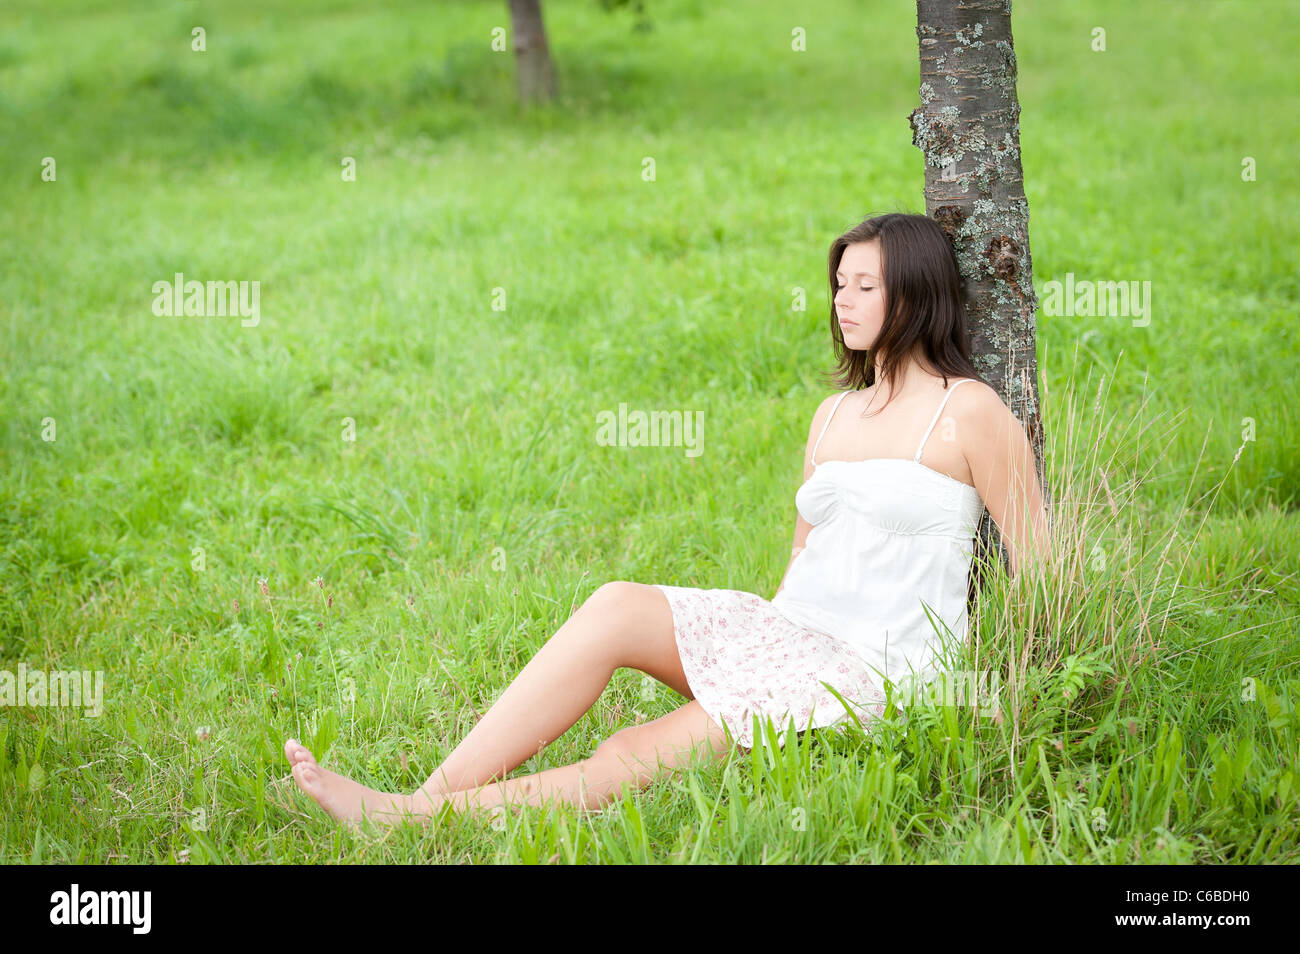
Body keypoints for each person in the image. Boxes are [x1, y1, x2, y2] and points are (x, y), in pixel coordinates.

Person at [284, 212, 1052, 826]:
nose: (841, 303)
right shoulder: (832, 415)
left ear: (915, 296)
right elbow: (801, 559)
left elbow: (1050, 568)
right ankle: (429, 793)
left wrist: (1012, 695)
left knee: (638, 747)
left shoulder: (969, 412)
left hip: (881, 672)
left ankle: (414, 822)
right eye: (839, 285)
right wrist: (751, 649)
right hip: (795, 633)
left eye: (864, 288)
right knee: (618, 602)